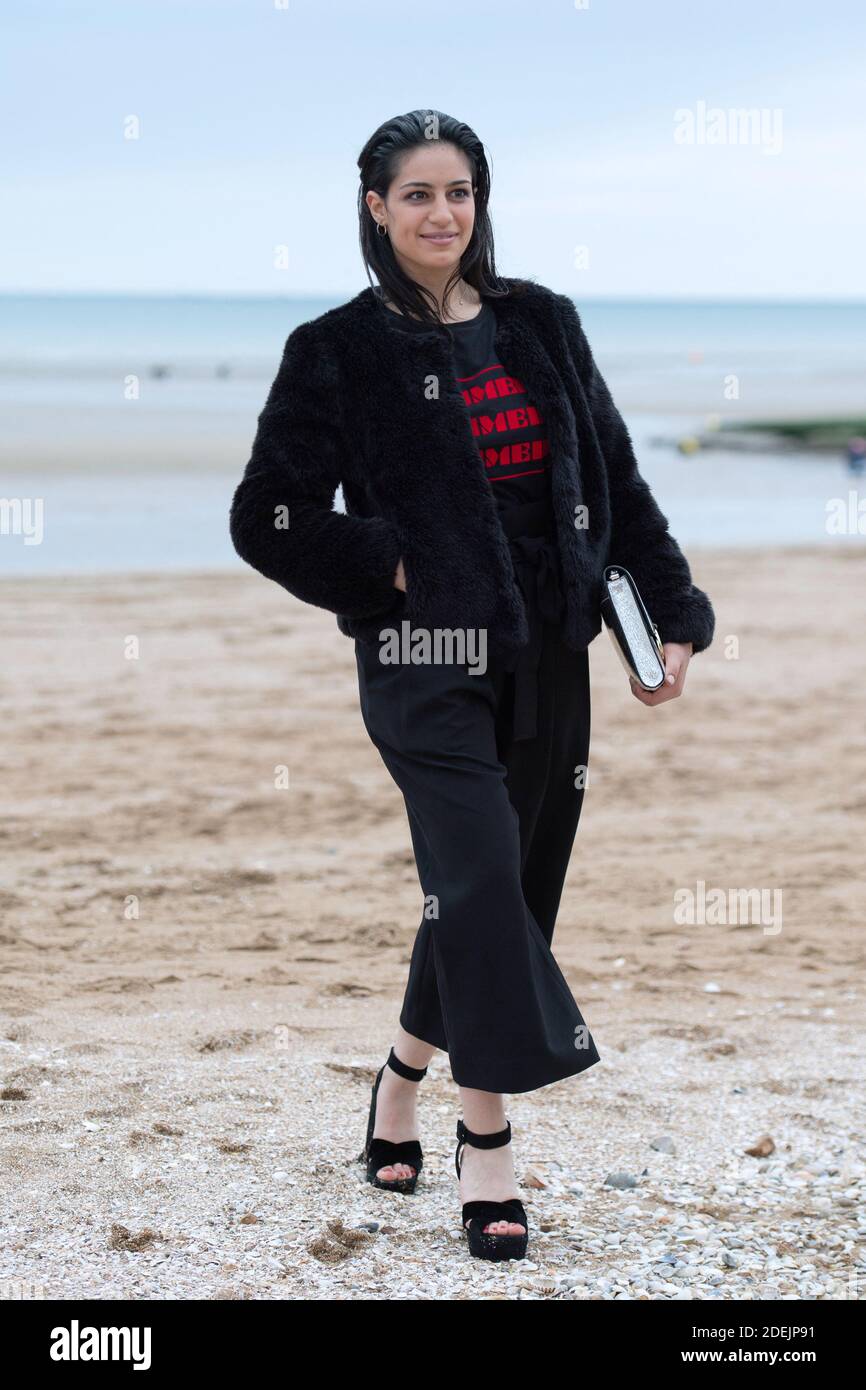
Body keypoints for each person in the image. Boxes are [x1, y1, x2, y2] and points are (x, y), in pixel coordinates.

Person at [229, 109, 715, 1263]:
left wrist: (670, 612)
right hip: (420, 656)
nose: (440, 213)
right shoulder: (334, 349)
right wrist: (390, 562)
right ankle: (483, 1139)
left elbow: (615, 474)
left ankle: (398, 1072)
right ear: (374, 209)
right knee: (483, 868)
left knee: (496, 884)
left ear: (478, 201)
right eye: (415, 195)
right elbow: (269, 516)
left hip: (549, 647)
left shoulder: (540, 321)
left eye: (457, 192)